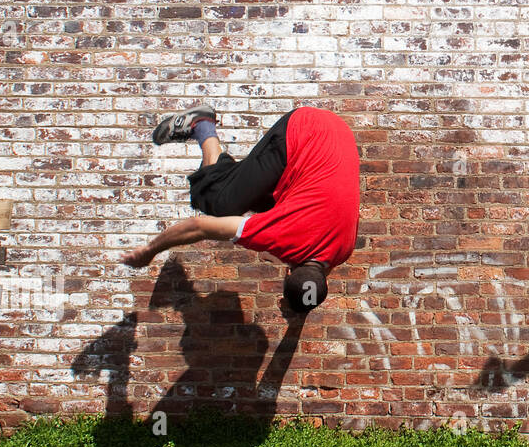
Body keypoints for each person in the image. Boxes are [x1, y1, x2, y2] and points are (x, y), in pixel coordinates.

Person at [123, 105, 360, 314]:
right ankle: (201, 124)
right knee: (220, 204)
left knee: (257, 201)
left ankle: (229, 177)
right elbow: (198, 227)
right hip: (303, 130)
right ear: (287, 274)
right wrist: (149, 251)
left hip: (339, 134)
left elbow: (317, 275)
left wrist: (307, 293)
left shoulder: (343, 250)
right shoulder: (279, 236)